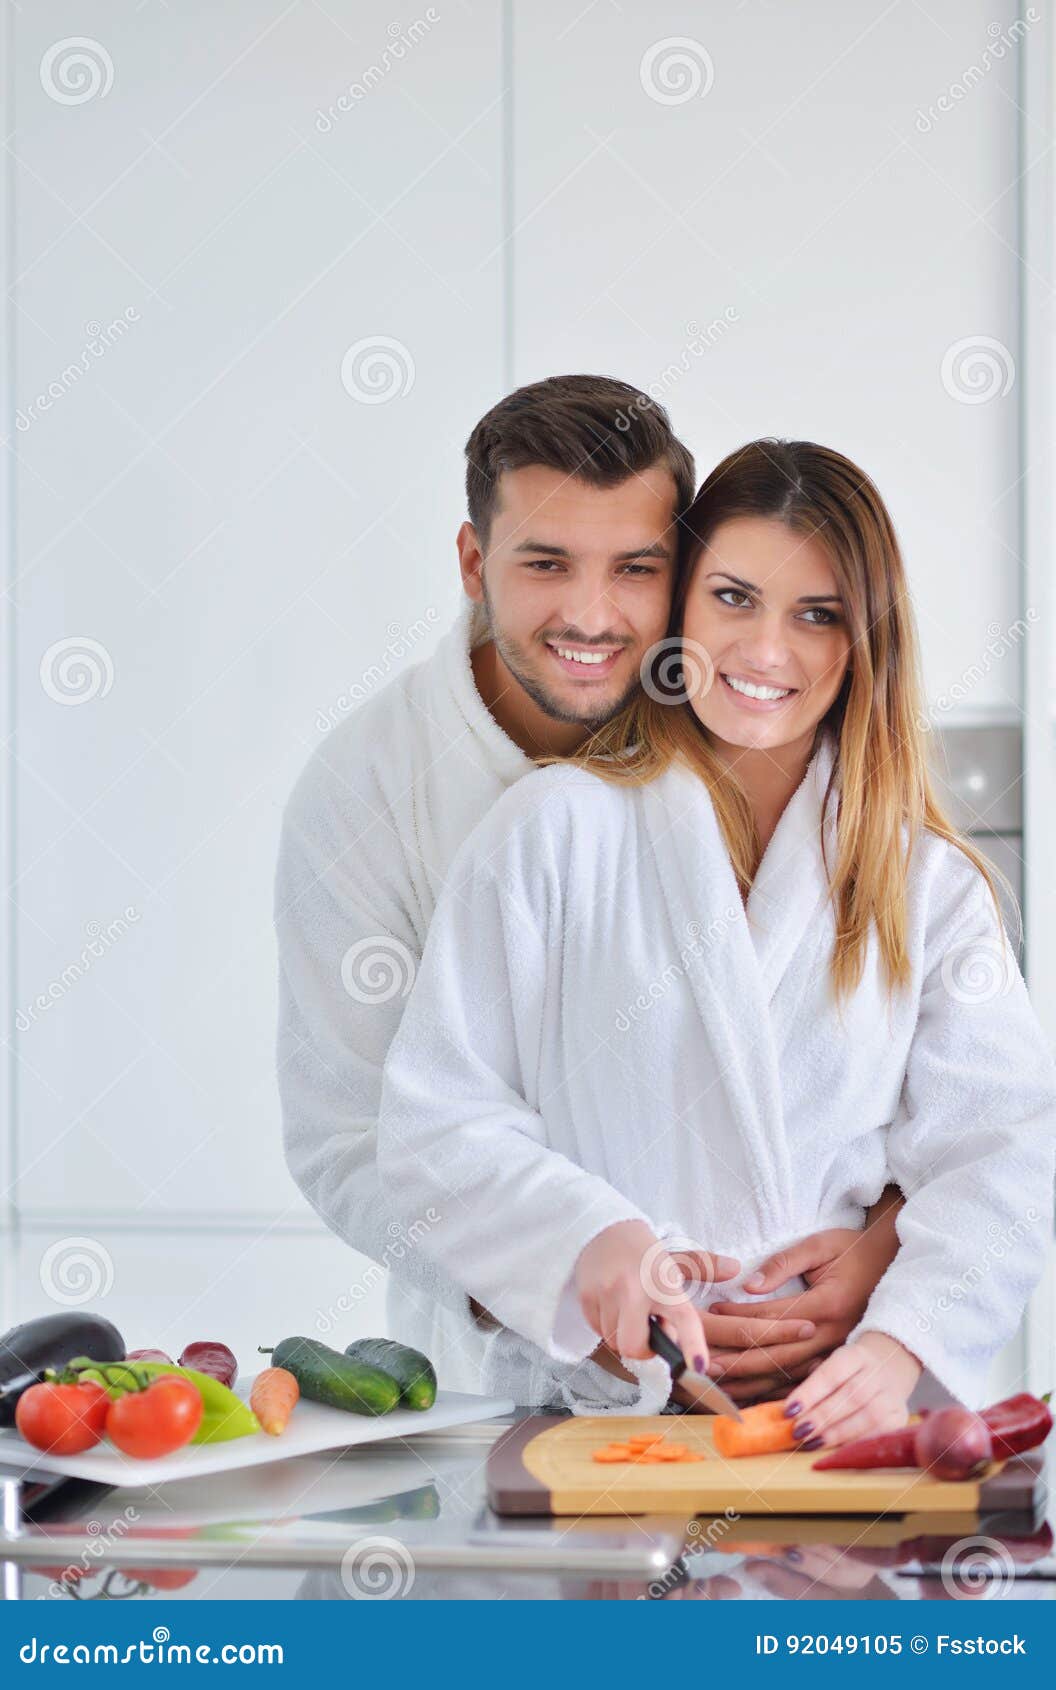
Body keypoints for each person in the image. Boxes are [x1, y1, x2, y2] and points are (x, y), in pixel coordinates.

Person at [376, 436, 1056, 1440]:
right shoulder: (549, 833)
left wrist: (898, 1338)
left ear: (864, 643)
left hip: (832, 1425)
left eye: (817, 614)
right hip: (596, 1417)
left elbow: (1005, 1151)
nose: (765, 652)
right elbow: (437, 1121)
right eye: (734, 597)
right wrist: (588, 1242)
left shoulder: (928, 887)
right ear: (681, 608)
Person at [276, 382, 903, 1414]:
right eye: (544, 563)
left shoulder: (765, 744)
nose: (592, 615)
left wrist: (886, 1240)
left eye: (637, 569)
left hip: (801, 1379)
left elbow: (903, 1092)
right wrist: (570, 1280)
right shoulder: (368, 792)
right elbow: (355, 1137)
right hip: (510, 1383)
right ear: (475, 563)